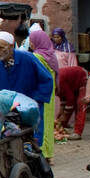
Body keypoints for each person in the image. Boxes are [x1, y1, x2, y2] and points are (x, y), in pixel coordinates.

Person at [0, 31, 55, 151]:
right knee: (8, 138)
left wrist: (36, 101)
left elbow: (47, 80)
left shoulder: (28, 58)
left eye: (1, 47)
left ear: (11, 46)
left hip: (30, 107)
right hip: (8, 107)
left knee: (31, 141)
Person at [26, 26, 60, 161]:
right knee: (48, 121)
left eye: (32, 41)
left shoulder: (37, 57)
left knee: (40, 122)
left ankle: (42, 152)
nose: (31, 44)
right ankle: (48, 152)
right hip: (49, 94)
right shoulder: (51, 55)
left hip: (39, 95)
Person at [55, 61, 88, 139]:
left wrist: (65, 114)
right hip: (73, 84)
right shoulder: (55, 84)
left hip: (83, 79)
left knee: (80, 104)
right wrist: (60, 114)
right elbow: (64, 99)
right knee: (65, 111)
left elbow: (70, 99)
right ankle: (63, 128)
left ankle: (78, 132)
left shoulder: (59, 81)